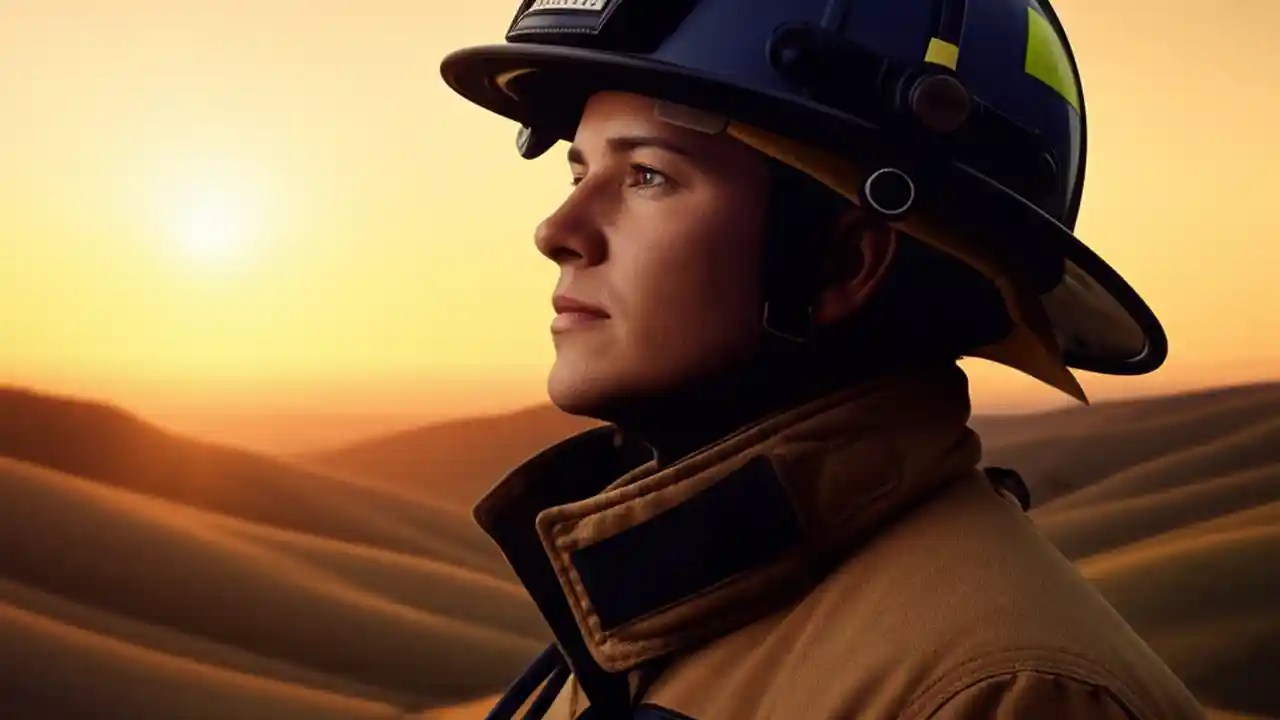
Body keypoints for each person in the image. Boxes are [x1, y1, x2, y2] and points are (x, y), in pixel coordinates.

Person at [439, 0, 1206, 718]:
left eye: (648, 176)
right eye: (579, 172)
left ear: (842, 262)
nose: (557, 230)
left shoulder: (1006, 694)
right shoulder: (667, 601)